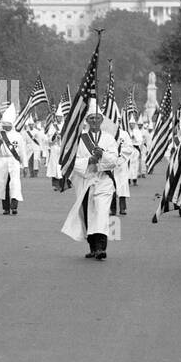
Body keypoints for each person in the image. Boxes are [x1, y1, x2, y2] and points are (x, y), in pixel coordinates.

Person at [60, 99, 121, 260]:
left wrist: (102, 156)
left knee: (101, 212)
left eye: (97, 118)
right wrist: (89, 161)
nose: (94, 121)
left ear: (102, 120)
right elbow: (72, 161)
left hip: (104, 181)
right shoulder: (79, 140)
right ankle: (93, 247)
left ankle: (101, 247)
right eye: (91, 118)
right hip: (85, 181)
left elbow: (114, 160)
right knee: (88, 214)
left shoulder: (108, 139)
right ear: (86, 121)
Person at [0, 103, 28, 215]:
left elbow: (23, 152)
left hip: (14, 162)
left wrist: (25, 165)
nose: (5, 126)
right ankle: (6, 208)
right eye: (3, 124)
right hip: (2, 161)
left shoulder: (18, 136)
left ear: (11, 124)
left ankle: (14, 206)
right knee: (3, 185)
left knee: (15, 184)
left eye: (7, 124)